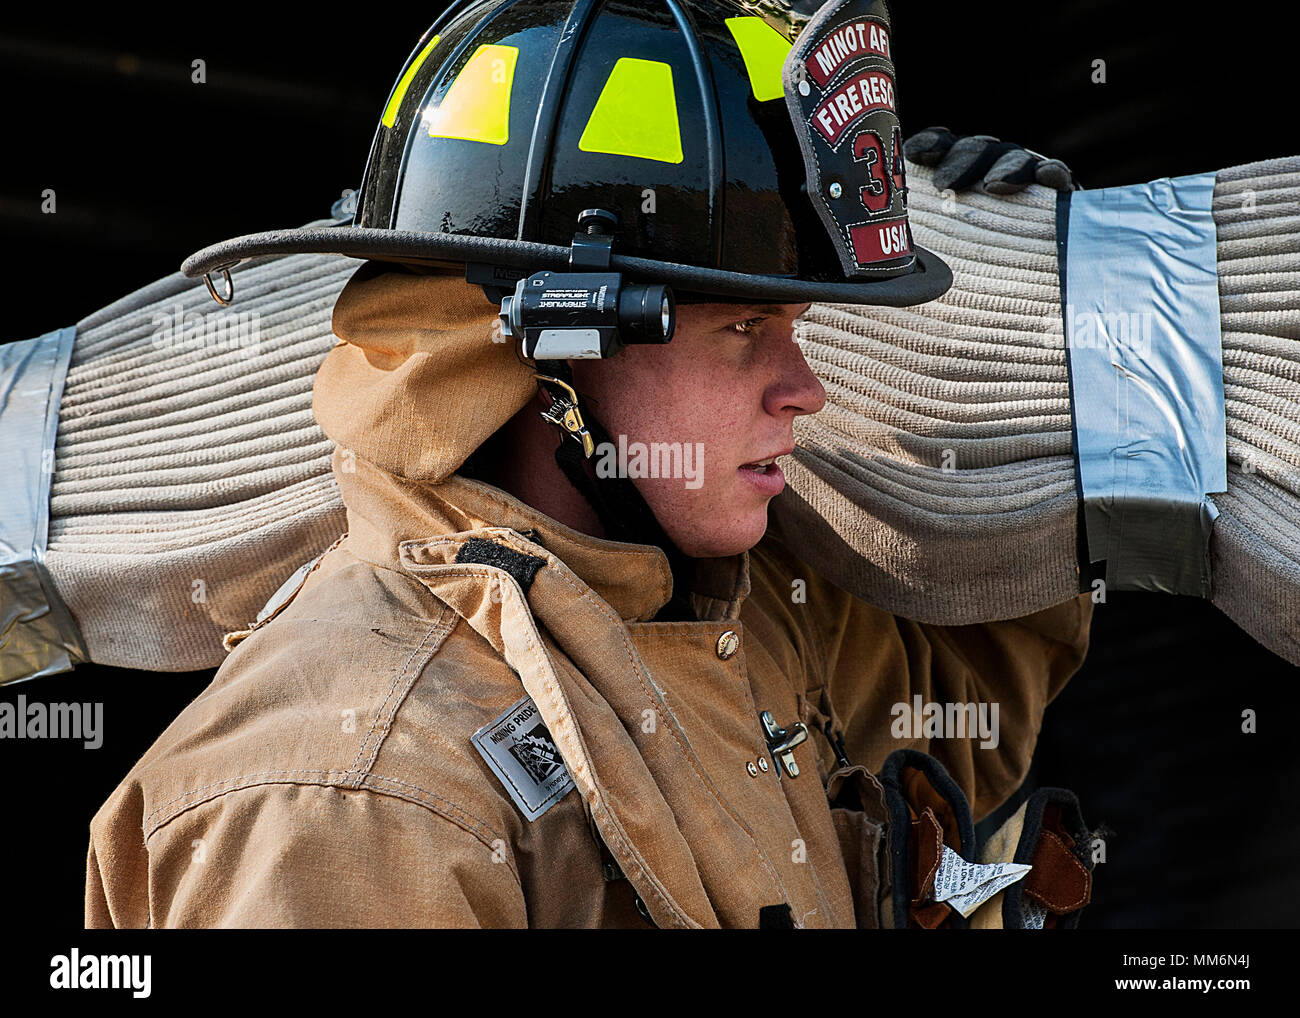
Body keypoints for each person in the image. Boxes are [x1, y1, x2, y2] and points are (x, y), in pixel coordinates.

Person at [85, 0, 1094, 929]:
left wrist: (1030, 338)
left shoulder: (717, 614)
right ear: (552, 354)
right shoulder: (353, 794)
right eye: (743, 326)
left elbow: (958, 704)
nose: (804, 387)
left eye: (796, 324)